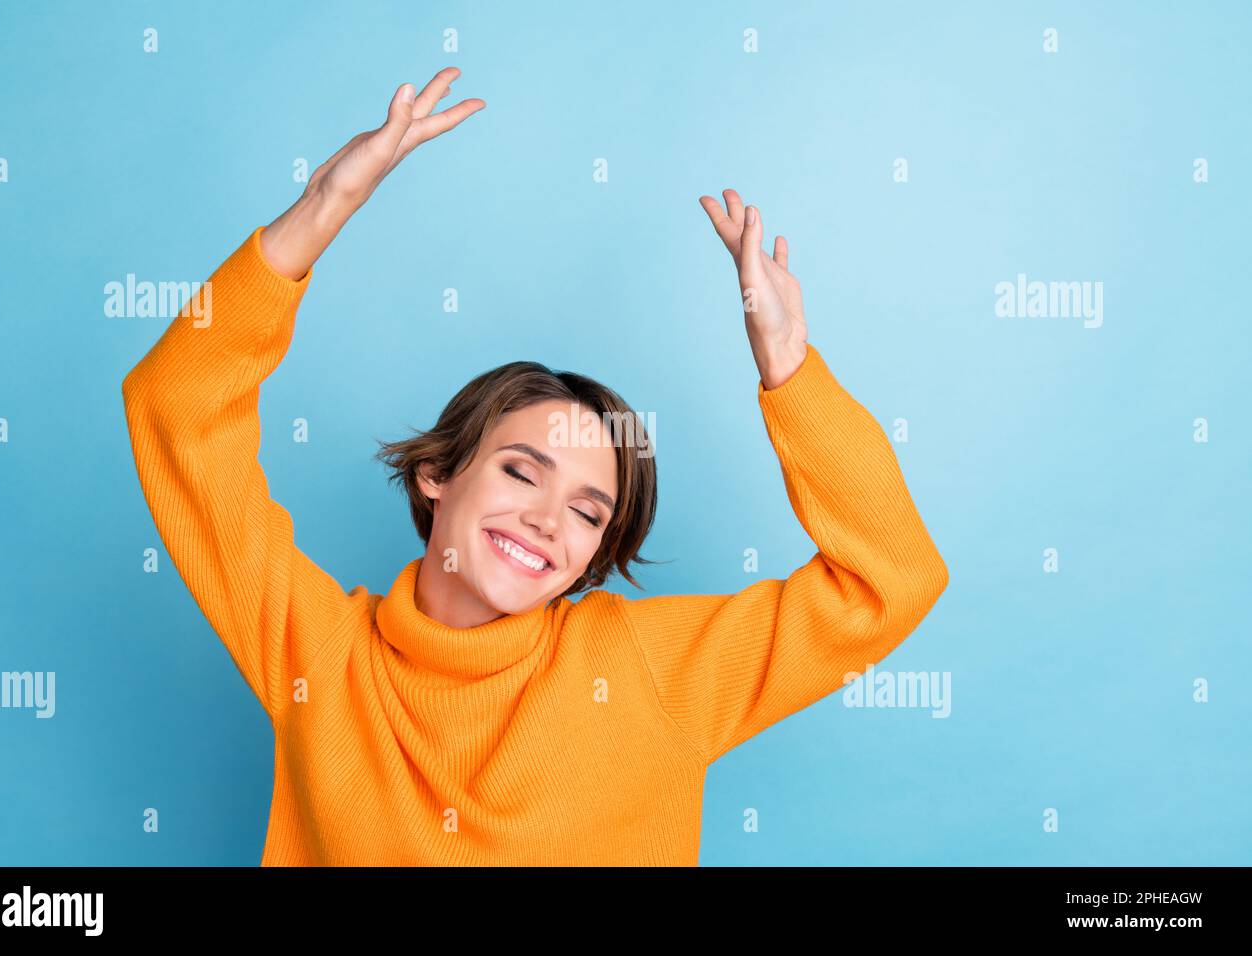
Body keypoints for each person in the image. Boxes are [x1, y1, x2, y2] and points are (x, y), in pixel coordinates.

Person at [121, 66, 949, 866]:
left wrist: (790, 369)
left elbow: (892, 580)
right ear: (435, 475)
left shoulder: (650, 669)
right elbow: (175, 407)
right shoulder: (313, 656)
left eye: (590, 513)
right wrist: (322, 204)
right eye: (522, 471)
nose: (549, 521)